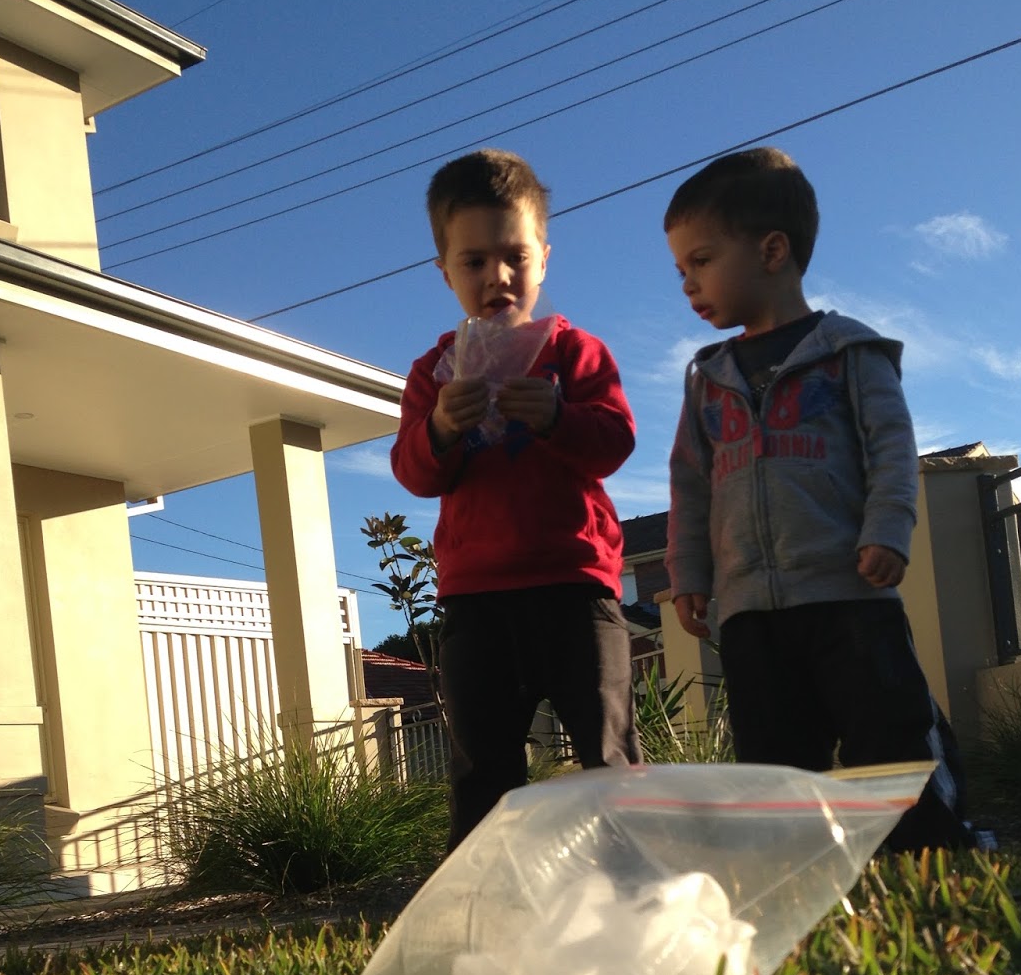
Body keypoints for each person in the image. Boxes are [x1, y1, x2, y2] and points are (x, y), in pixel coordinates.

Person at [663, 147, 972, 850]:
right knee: (773, 761)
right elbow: (689, 482)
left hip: (848, 596)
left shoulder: (849, 353)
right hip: (750, 613)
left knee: (889, 740)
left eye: (702, 261)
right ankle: (794, 869)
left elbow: (891, 447)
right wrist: (689, 575)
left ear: (772, 250)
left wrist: (888, 528)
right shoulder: (706, 379)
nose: (688, 283)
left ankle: (927, 851)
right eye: (681, 269)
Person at [392, 149, 641, 848]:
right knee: (483, 769)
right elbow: (414, 473)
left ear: (544, 258)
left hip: (575, 589)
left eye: (516, 257)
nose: (497, 277)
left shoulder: (576, 353)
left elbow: (615, 442)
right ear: (444, 272)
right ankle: (480, 907)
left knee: (609, 753)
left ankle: (632, 884)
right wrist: (440, 426)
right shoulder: (432, 375)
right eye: (474, 261)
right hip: (477, 602)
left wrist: (559, 416)